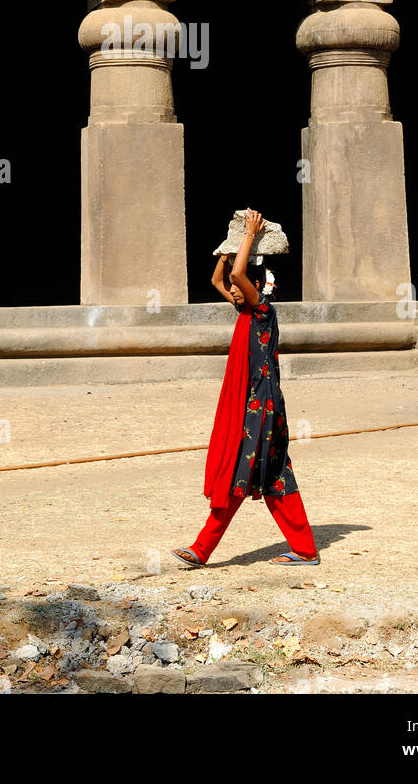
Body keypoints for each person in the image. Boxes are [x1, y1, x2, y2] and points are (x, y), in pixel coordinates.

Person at [172, 209, 320, 568]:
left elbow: (238, 275)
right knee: (270, 475)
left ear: (256, 287)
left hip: (262, 405)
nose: (234, 290)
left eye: (241, 288)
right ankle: (302, 548)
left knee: (248, 470)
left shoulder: (264, 311)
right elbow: (218, 280)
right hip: (253, 404)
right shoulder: (244, 311)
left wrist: (249, 235)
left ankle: (203, 548)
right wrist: (228, 250)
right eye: (236, 289)